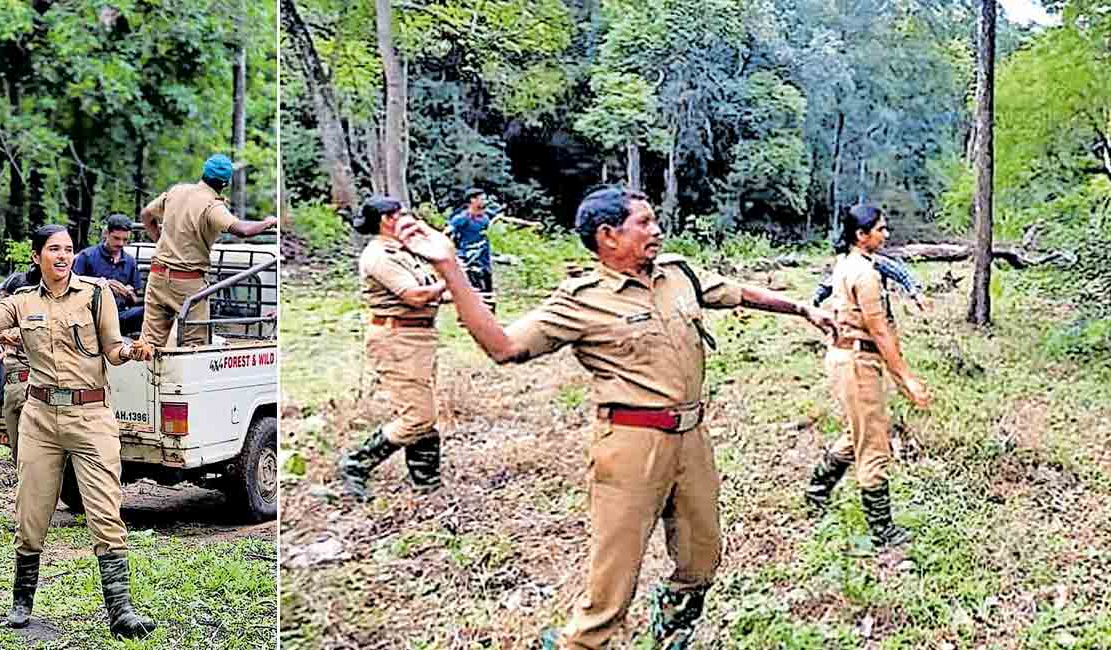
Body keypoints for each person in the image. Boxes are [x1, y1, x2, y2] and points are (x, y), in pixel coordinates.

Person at [393, 186, 837, 649]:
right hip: (631, 445)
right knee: (612, 584)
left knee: (702, 559)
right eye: (643, 223)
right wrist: (450, 266)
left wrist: (802, 307)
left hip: (692, 439)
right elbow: (503, 347)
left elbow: (736, 292)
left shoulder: (677, 274)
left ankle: (670, 635)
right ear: (608, 235)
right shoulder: (580, 299)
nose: (657, 230)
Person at [0, 225, 158, 639]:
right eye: (54, 249)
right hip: (40, 417)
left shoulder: (96, 294)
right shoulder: (21, 302)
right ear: (37, 257)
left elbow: (112, 348)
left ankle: (121, 611)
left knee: (105, 512)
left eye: (69, 249)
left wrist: (130, 350)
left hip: (90, 417)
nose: (63, 256)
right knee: (31, 513)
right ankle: (21, 602)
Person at [803, 204, 932, 548]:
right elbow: (880, 332)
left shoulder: (848, 263)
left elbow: (897, 273)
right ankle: (882, 531)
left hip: (848, 358)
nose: (886, 235)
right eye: (881, 230)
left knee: (857, 430)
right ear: (861, 236)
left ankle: (817, 490)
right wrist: (907, 378)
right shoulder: (864, 274)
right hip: (858, 361)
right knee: (874, 443)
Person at [338, 197, 447, 500]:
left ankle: (427, 481)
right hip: (397, 338)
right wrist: (448, 279)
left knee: (423, 409)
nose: (406, 218)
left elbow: (430, 288)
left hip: (418, 337)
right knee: (418, 416)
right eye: (399, 214)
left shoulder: (404, 252)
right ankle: (356, 463)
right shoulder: (379, 256)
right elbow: (414, 295)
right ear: (386, 220)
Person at [138, 154, 277, 348]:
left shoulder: (177, 191)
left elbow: (146, 215)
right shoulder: (212, 206)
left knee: (148, 343)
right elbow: (242, 230)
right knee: (193, 345)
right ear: (225, 184)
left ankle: (147, 377)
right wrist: (267, 222)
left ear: (203, 173)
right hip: (188, 282)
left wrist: (160, 240)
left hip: (158, 276)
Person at [444, 188, 539, 310]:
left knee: (489, 292)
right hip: (469, 262)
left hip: (485, 261)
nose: (485, 201)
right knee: (476, 294)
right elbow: (446, 233)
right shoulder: (462, 218)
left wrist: (529, 224)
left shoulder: (487, 216)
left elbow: (506, 220)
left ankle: (490, 320)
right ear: (472, 200)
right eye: (482, 198)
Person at [0, 272, 34, 465]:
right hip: (12, 386)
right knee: (19, 455)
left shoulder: (34, 318)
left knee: (31, 455)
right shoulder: (10, 319)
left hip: (28, 385)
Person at [72, 214, 145, 334]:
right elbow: (72, 287)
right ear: (106, 233)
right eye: (116, 238)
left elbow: (134, 299)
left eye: (125, 240)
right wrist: (102, 286)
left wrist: (128, 294)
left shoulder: (130, 261)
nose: (121, 243)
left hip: (119, 315)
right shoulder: (87, 256)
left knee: (150, 312)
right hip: (91, 315)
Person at [813, 252, 928, 315]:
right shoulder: (845, 263)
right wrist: (816, 298)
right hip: (853, 317)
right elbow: (829, 284)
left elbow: (902, 274)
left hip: (880, 315)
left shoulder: (876, 261)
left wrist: (916, 293)